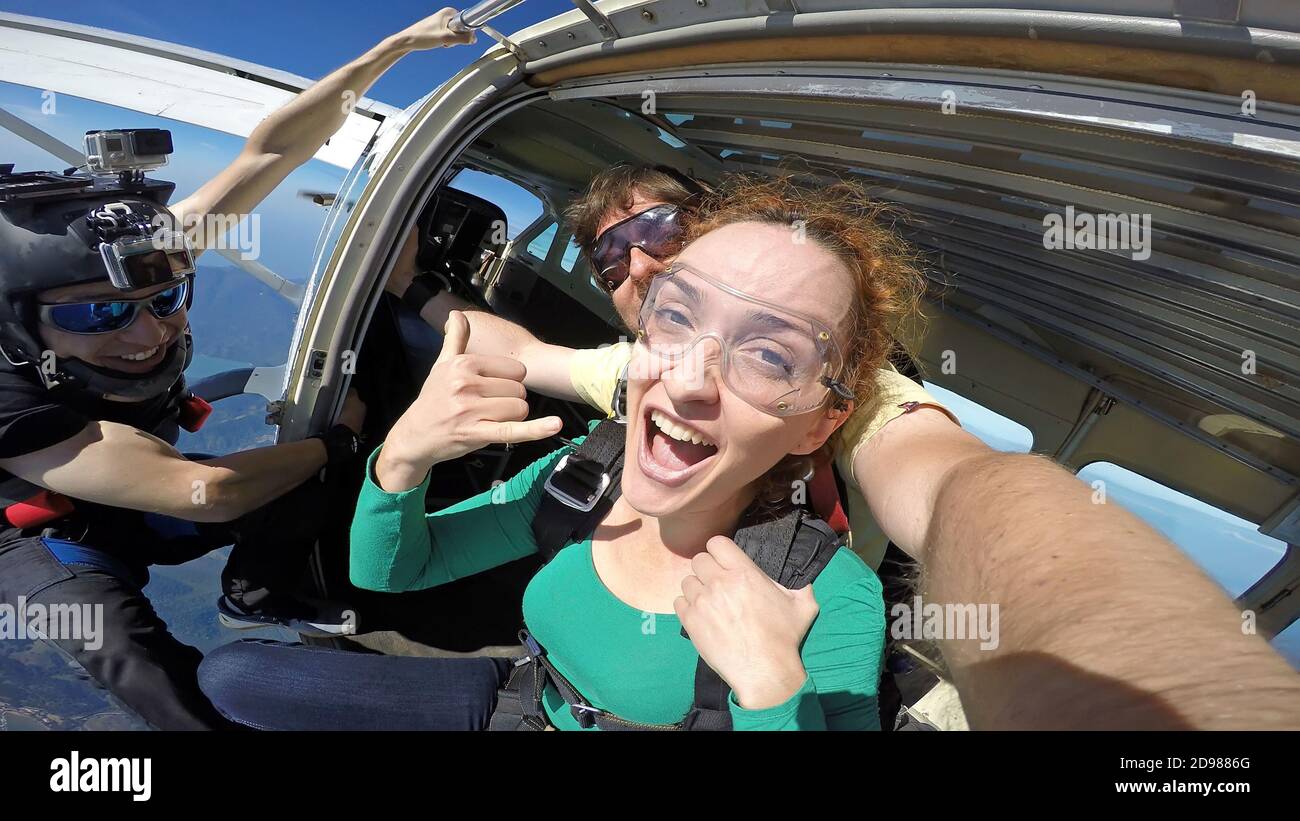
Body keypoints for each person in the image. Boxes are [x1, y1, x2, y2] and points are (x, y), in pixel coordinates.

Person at [198, 176, 905, 730]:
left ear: (820, 424)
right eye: (678, 318)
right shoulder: (586, 474)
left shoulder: (827, 594)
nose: (688, 380)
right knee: (233, 677)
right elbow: (391, 571)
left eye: (768, 355)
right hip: (528, 705)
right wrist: (402, 460)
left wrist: (770, 686)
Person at [0, 9, 475, 730]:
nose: (150, 331)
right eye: (96, 316)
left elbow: (274, 152)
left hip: (135, 488)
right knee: (140, 667)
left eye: (166, 298)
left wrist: (394, 46)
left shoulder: (144, 253)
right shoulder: (7, 397)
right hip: (32, 529)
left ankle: (263, 591)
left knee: (300, 473)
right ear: (16, 325)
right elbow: (207, 492)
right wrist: (339, 440)